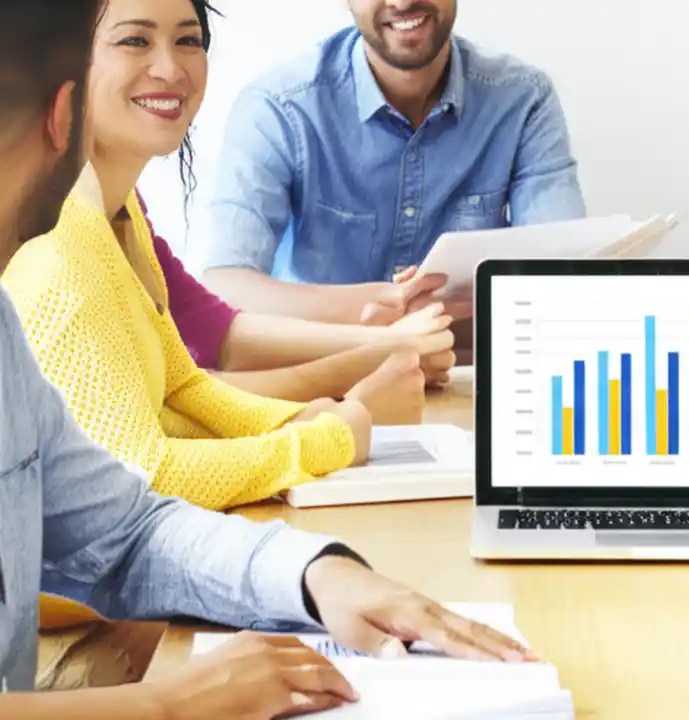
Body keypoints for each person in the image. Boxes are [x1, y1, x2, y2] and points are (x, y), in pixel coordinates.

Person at [0, 1, 529, 715]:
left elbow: (126, 528)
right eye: (133, 42)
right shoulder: (59, 261)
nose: (168, 69)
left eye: (188, 40)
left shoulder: (27, 306)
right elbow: (156, 460)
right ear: (66, 109)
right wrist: (170, 705)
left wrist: (318, 574)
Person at [196, 0, 586, 350]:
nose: (403, 2)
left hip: (465, 375)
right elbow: (225, 284)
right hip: (323, 373)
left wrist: (421, 317)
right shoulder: (278, 107)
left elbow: (564, 275)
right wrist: (386, 308)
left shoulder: (523, 99)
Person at [151, 220, 458, 409]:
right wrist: (355, 378)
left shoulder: (134, 218)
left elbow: (219, 333)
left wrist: (388, 343)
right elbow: (167, 404)